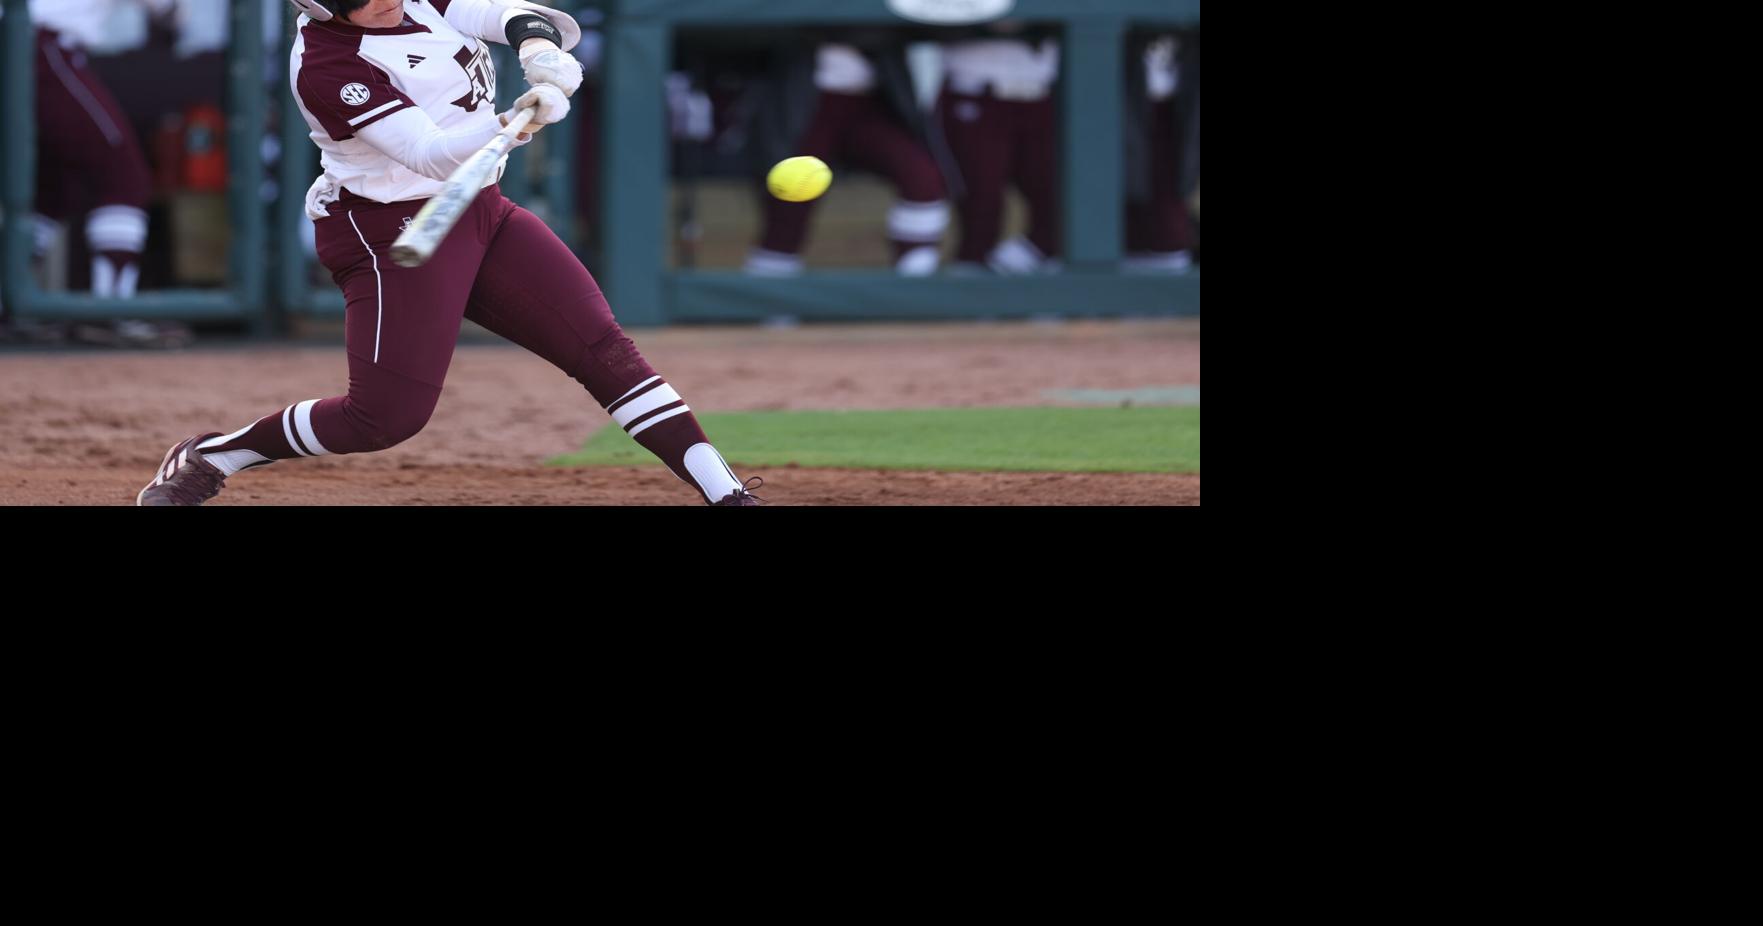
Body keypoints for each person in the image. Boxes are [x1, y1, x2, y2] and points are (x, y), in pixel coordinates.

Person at [138, 0, 762, 506]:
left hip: (481, 211)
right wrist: (517, 118)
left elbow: (509, 15)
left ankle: (727, 495)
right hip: (388, 227)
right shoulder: (328, 64)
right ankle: (217, 455)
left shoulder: (414, 1)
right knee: (383, 419)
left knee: (604, 349)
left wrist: (538, 50)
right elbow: (429, 154)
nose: (383, 2)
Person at [745, 36, 953, 277]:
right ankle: (770, 290)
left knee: (922, 175)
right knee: (791, 199)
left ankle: (916, 276)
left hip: (869, 102)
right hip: (808, 106)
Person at [938, 27, 1061, 275]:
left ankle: (999, 275)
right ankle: (969, 293)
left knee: (1061, 206)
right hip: (974, 86)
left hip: (1043, 91)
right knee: (981, 209)